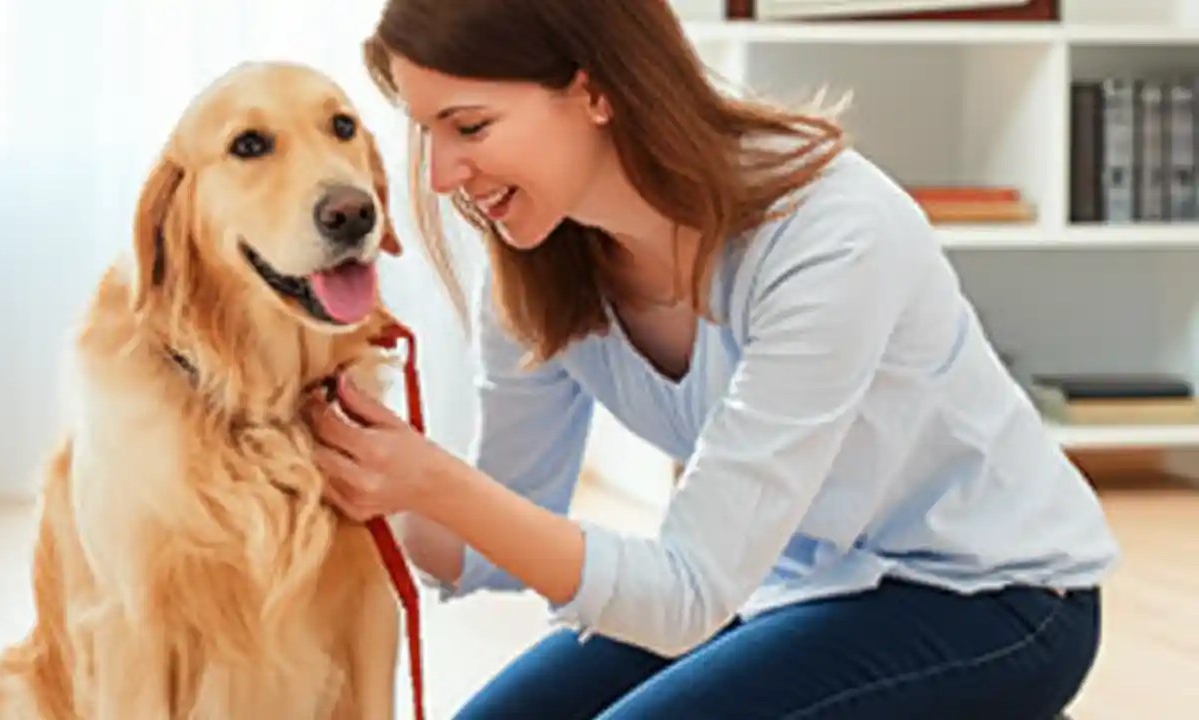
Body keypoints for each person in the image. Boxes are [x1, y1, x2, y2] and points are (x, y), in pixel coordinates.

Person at [305, 0, 1119, 717]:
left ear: (593, 90)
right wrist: (363, 453)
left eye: (470, 127)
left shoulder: (831, 234)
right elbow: (491, 536)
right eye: (427, 133)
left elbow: (685, 595)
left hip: (991, 596)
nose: (443, 176)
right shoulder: (538, 264)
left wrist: (430, 480)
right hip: (778, 583)